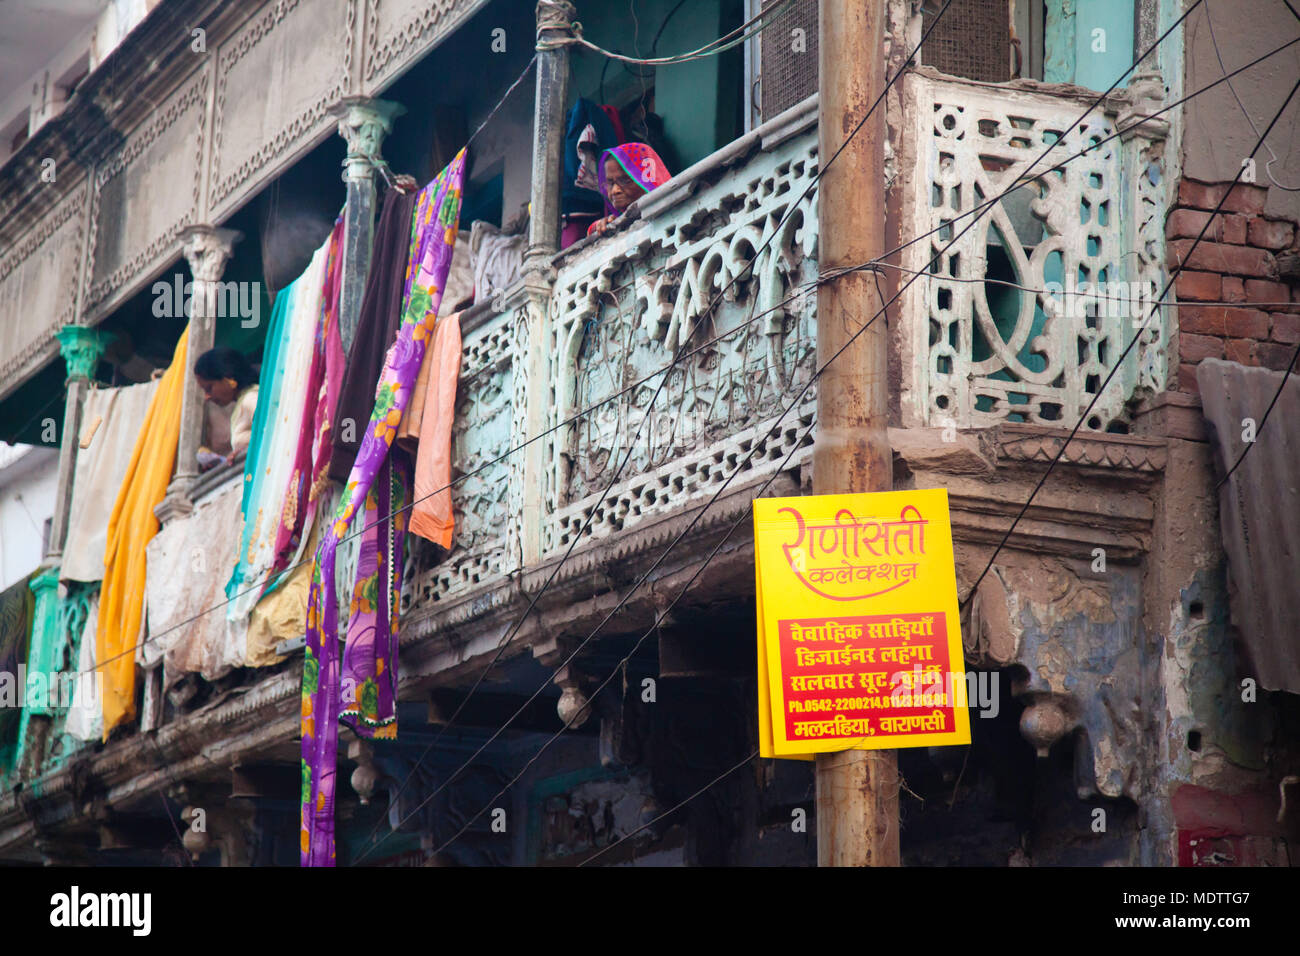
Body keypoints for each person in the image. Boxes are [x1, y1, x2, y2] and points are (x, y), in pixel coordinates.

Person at [586, 143, 672, 239]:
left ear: (648, 180)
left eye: (624, 180)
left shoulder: (671, 213)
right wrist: (599, 226)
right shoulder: (614, 221)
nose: (615, 190)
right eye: (610, 183)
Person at [193, 347, 259, 467]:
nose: (207, 397)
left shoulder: (251, 400)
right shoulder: (243, 402)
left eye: (209, 388)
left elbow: (272, 433)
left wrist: (245, 451)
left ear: (228, 378)